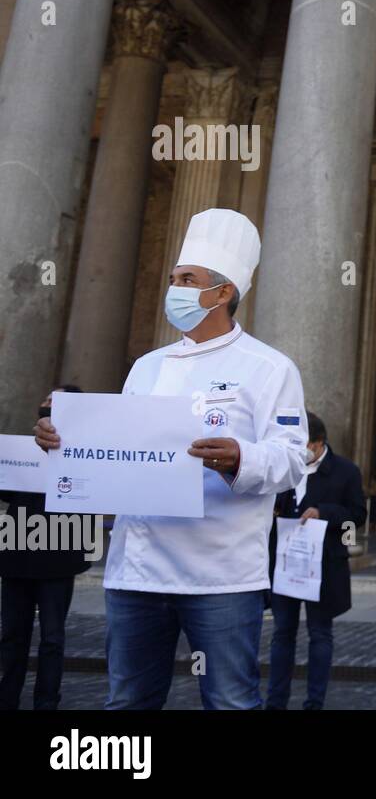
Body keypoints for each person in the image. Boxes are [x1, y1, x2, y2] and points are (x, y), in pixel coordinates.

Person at [35, 208, 308, 710]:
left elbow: (292, 460)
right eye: (174, 279)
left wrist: (238, 458)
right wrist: (63, 444)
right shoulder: (146, 366)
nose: (175, 289)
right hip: (136, 571)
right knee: (128, 702)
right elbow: (120, 450)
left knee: (230, 703)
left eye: (188, 280)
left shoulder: (270, 368)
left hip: (221, 574)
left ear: (222, 293)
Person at [0, 386, 92, 710]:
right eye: (46, 399)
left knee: (52, 638)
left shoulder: (87, 452)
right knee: (11, 635)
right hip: (18, 550)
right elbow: (9, 493)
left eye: (55, 401)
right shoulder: (22, 449)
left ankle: (46, 702)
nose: (46, 404)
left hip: (59, 553)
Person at [266, 411, 365, 710]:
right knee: (282, 633)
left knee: (320, 634)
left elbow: (357, 516)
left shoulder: (346, 471)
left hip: (324, 566)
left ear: (318, 443)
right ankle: (276, 702)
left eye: (303, 445)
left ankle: (314, 703)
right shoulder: (285, 467)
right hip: (286, 563)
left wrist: (324, 512)